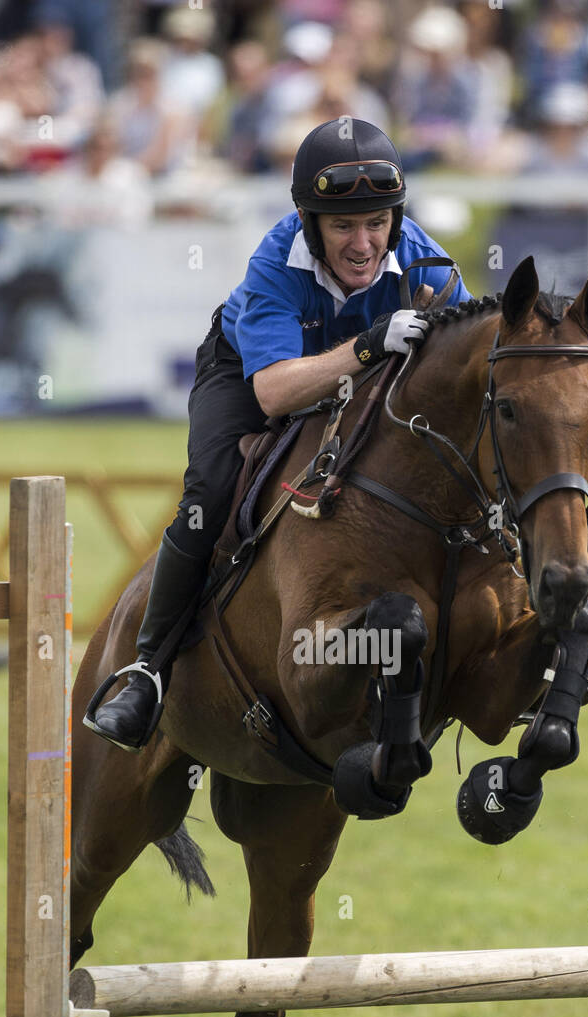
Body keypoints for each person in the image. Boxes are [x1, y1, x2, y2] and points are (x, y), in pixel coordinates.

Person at [86, 116, 469, 751]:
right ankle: (147, 671)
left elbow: (466, 371)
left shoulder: (426, 261)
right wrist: (372, 345)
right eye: (343, 226)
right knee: (211, 492)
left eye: (377, 224)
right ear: (310, 226)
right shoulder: (275, 261)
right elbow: (275, 392)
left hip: (353, 380)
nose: (363, 243)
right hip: (247, 374)